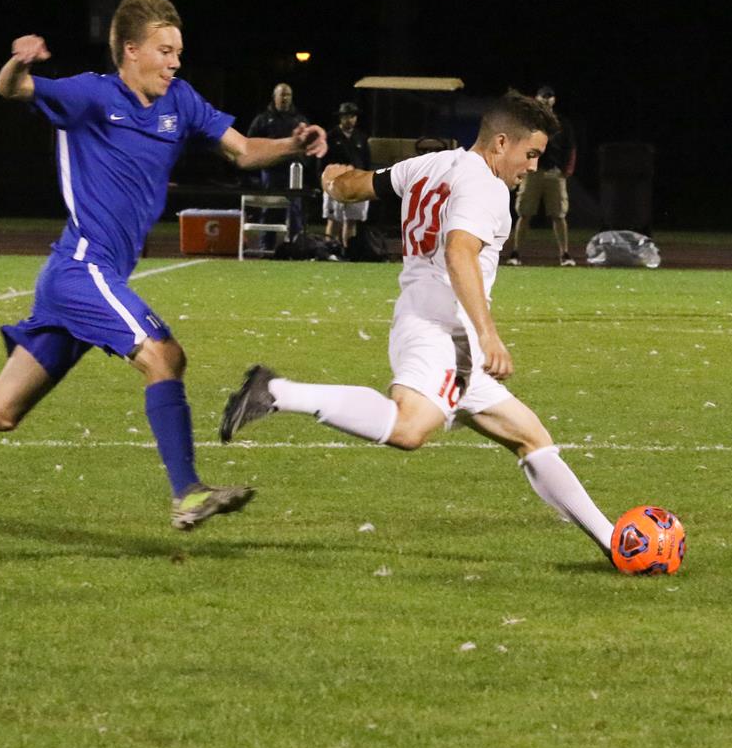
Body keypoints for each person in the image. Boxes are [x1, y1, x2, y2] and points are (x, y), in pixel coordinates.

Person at [0, 0, 329, 530]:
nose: (176, 61)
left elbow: (243, 149)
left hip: (81, 276)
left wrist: (293, 145)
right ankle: (188, 493)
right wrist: (20, 61)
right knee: (164, 357)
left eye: (179, 50)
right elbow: (11, 88)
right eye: (164, 50)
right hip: (83, 268)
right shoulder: (89, 94)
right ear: (130, 50)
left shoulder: (181, 101)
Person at [215, 92, 619, 563]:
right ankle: (278, 391)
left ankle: (615, 543)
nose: (531, 166)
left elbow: (351, 187)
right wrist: (488, 333)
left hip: (429, 320)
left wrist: (331, 176)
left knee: (532, 439)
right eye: (529, 154)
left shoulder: (427, 166)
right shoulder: (486, 187)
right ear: (501, 142)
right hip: (444, 330)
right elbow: (459, 252)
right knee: (409, 428)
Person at [503, 85, 578, 266]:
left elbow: (571, 148)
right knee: (524, 213)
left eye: (549, 96)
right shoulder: (529, 122)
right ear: (536, 98)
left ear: (554, 100)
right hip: (532, 173)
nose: (546, 99)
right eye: (543, 96)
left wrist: (565, 170)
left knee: (559, 214)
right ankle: (515, 253)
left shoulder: (562, 122)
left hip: (554, 173)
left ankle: (565, 254)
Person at [247, 82, 314, 239]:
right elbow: (250, 143)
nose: (285, 98)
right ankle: (266, 245)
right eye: (282, 94)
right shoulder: (263, 119)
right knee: (269, 208)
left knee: (295, 209)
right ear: (274, 97)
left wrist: (303, 162)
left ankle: (294, 245)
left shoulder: (300, 120)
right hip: (271, 171)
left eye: (288, 95)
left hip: (293, 171)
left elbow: (310, 145)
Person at [322, 100, 371, 253]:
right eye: (346, 116)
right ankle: (329, 251)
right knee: (333, 219)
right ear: (340, 118)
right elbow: (322, 162)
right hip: (335, 182)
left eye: (352, 116)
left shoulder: (361, 137)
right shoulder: (331, 136)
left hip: (356, 182)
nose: (349, 119)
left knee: (352, 220)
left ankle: (348, 251)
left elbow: (366, 161)